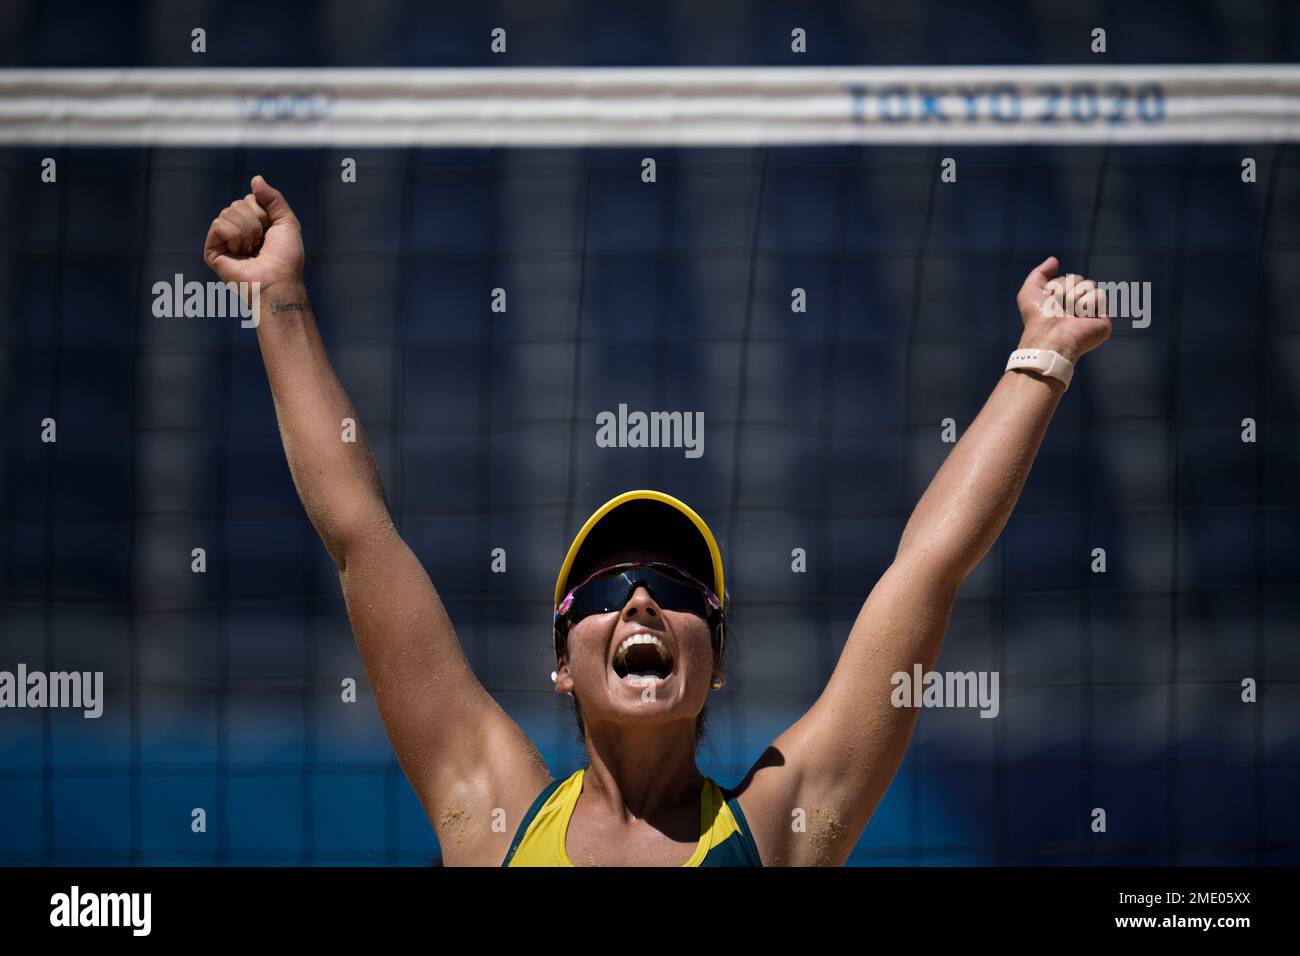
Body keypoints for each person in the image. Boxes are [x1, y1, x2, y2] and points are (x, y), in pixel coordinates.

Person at [204, 175, 1111, 866]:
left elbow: (929, 566)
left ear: (715, 655)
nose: (641, 600)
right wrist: (277, 297)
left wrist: (1042, 356)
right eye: (607, 586)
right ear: (561, 663)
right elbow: (358, 530)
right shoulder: (489, 806)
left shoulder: (778, 826)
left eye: (675, 586)